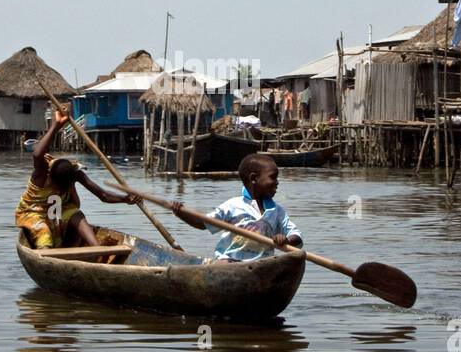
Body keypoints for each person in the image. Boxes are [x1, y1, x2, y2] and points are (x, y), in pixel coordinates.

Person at [16, 106, 141, 249]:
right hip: (33, 212)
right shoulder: (43, 172)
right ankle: (46, 252)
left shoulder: (75, 172)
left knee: (76, 214)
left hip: (59, 211)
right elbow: (37, 154)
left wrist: (125, 199)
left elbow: (103, 195)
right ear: (51, 178)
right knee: (44, 234)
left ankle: (96, 248)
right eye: (59, 187)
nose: (62, 190)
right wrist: (56, 126)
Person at [170, 153, 302, 263]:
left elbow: (296, 235)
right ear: (253, 178)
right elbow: (204, 223)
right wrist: (181, 213)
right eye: (273, 177)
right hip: (229, 261)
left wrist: (285, 240)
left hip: (261, 265)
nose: (277, 182)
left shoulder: (276, 211)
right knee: (221, 265)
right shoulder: (233, 206)